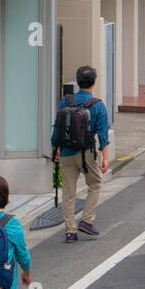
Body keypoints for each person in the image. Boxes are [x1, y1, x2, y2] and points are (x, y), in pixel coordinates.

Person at [52, 64, 110, 243]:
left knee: (68, 192)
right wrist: (105, 158)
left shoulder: (66, 101)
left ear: (77, 82)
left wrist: (55, 149)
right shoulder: (98, 105)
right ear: (94, 82)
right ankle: (86, 220)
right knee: (95, 184)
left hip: (67, 152)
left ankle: (70, 231)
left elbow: (57, 127)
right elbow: (102, 134)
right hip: (87, 153)